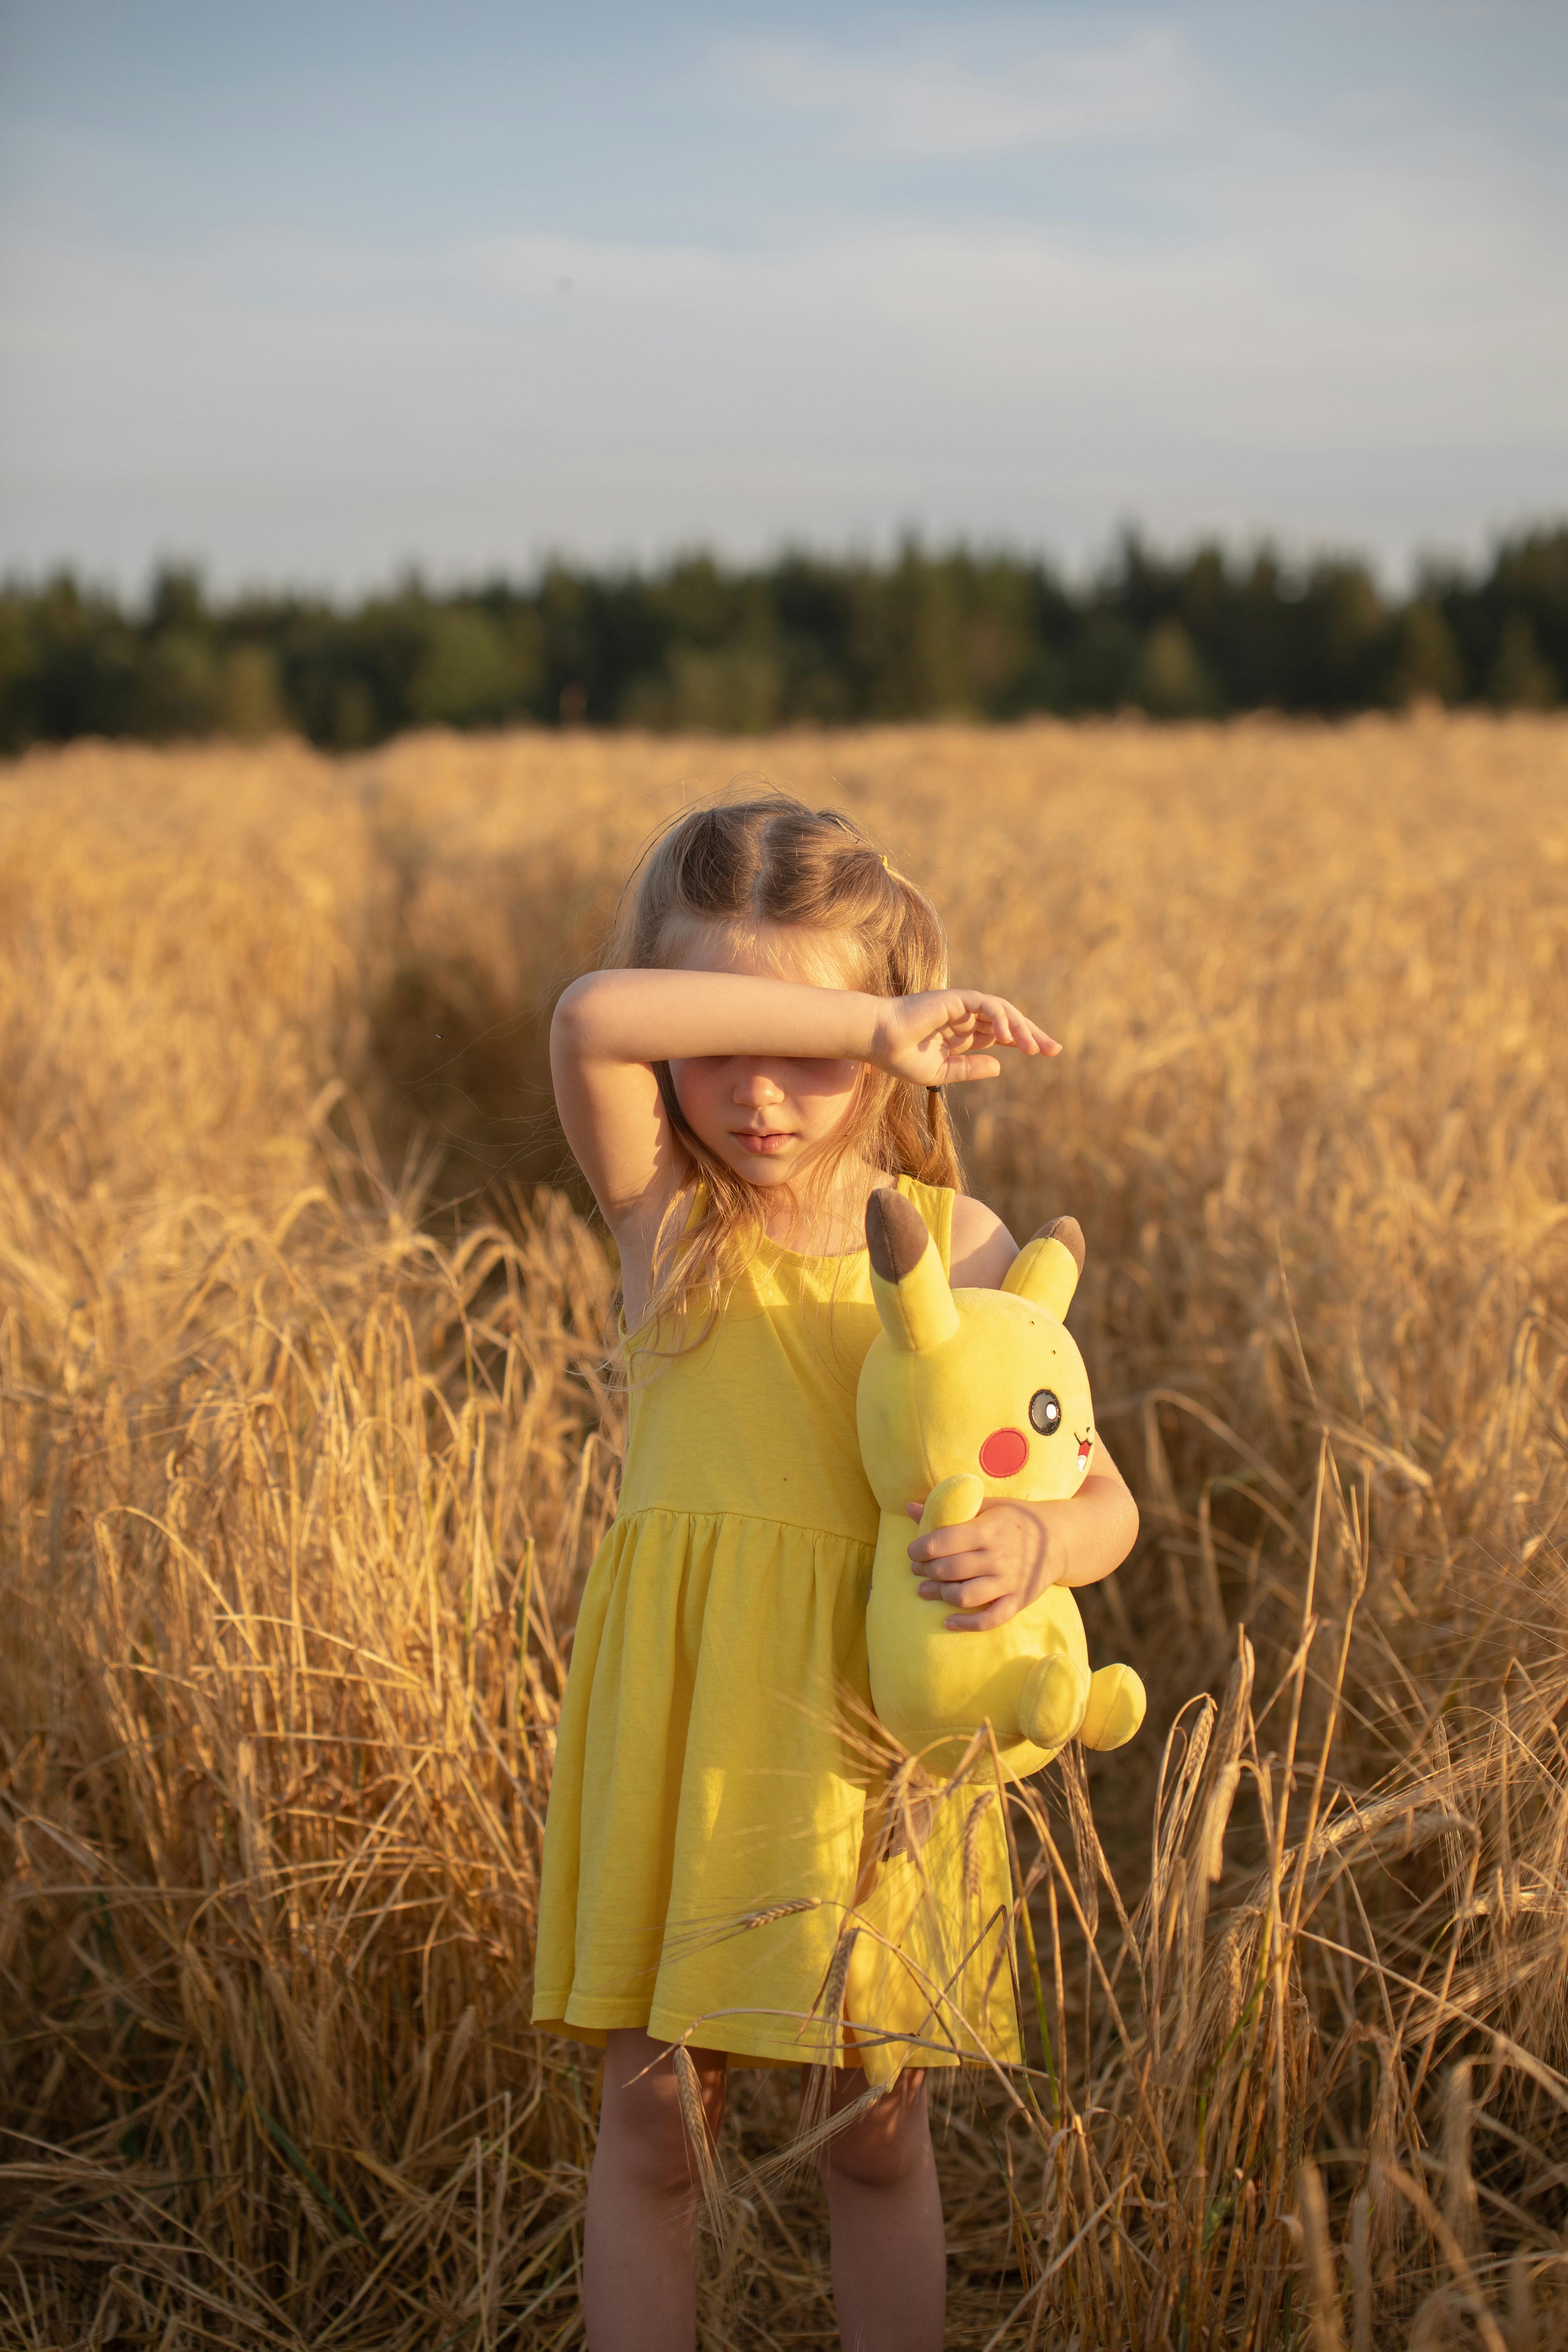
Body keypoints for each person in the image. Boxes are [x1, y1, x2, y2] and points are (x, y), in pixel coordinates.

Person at [532, 794, 1139, 2352]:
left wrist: (1035, 1543)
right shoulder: (671, 1222)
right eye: (726, 1035)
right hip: (701, 1729)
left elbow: (1110, 1509)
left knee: (876, 2135)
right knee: (658, 2124)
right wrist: (859, 1018)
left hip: (883, 1746)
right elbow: (596, 1014)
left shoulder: (972, 1249)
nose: (757, 1092)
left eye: (806, 1052)